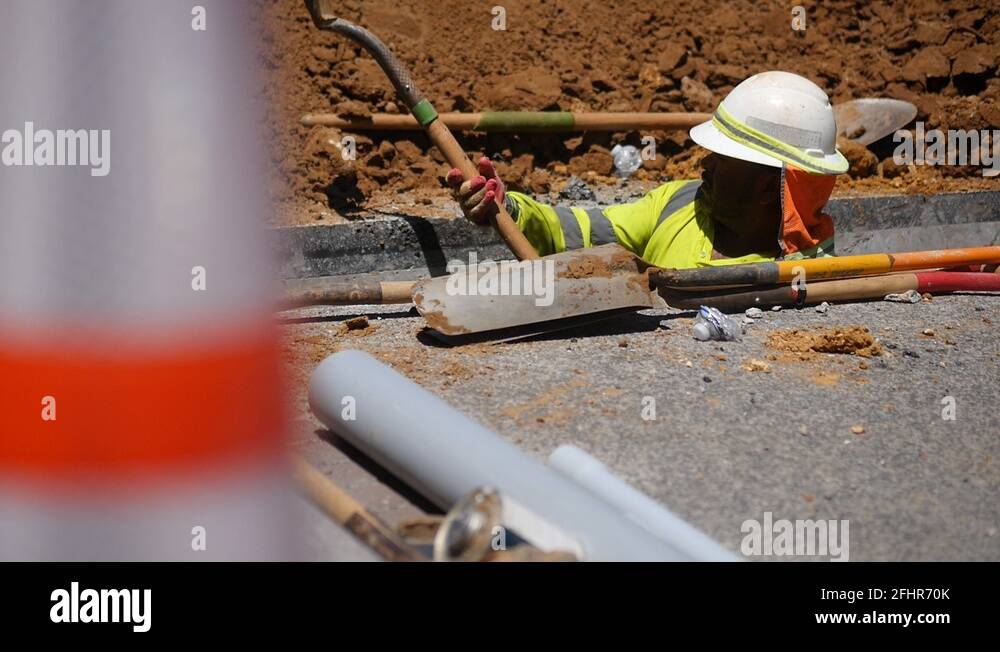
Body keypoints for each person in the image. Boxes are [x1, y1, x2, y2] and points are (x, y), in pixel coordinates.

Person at [448, 71, 849, 268]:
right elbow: (578, 231)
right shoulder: (679, 202)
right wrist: (508, 209)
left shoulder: (807, 278)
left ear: (769, 186)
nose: (704, 165)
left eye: (722, 159)